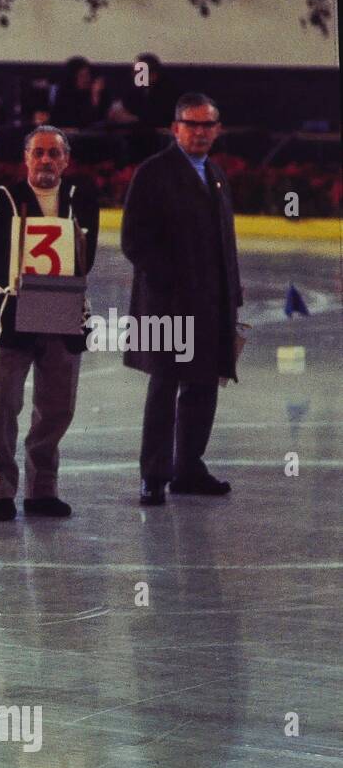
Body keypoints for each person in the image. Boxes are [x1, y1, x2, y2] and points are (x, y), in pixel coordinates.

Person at [0, 127, 100, 521]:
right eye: (38, 153)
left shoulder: (82, 198)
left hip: (61, 314)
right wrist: (8, 295)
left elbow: (84, 257)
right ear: (26, 157)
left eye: (53, 154)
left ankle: (43, 490)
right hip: (12, 317)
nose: (46, 160)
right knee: (3, 405)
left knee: (57, 406)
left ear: (66, 159)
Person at [121, 94, 243, 505]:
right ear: (175, 129)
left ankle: (189, 468)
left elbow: (225, 243)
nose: (200, 132)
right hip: (168, 305)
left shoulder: (217, 175)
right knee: (165, 387)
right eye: (192, 124)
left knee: (204, 385)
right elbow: (134, 241)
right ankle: (153, 475)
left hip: (212, 304)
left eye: (208, 125)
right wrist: (175, 284)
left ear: (218, 129)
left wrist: (233, 296)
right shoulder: (153, 173)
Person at [50, 57, 106, 132]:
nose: (87, 79)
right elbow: (82, 122)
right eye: (82, 76)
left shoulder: (92, 94)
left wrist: (95, 95)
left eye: (88, 75)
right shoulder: (64, 97)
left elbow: (98, 121)